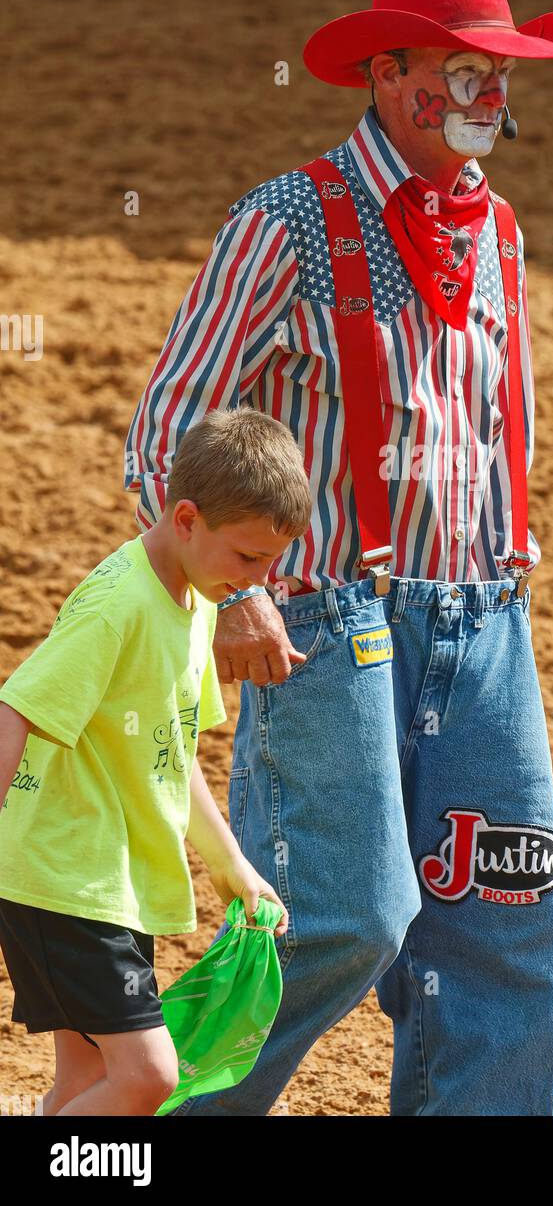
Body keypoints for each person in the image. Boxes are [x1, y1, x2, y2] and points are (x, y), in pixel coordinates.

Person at [123, 0, 553, 1116]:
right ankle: (151, 1117)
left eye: (498, 71)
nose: (487, 93)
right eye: (460, 67)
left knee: (509, 926)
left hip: (486, 620)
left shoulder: (502, 234)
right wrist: (230, 593)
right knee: (342, 916)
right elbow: (170, 423)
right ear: (387, 75)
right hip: (329, 622)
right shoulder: (285, 220)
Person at [0, 408, 304, 1115]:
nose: (259, 580)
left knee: (84, 1087)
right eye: (248, 558)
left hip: (112, 881)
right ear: (188, 519)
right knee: (149, 1076)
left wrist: (232, 866)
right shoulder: (119, 605)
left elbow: (174, 749)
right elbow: (16, 708)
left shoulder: (196, 597)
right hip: (65, 879)